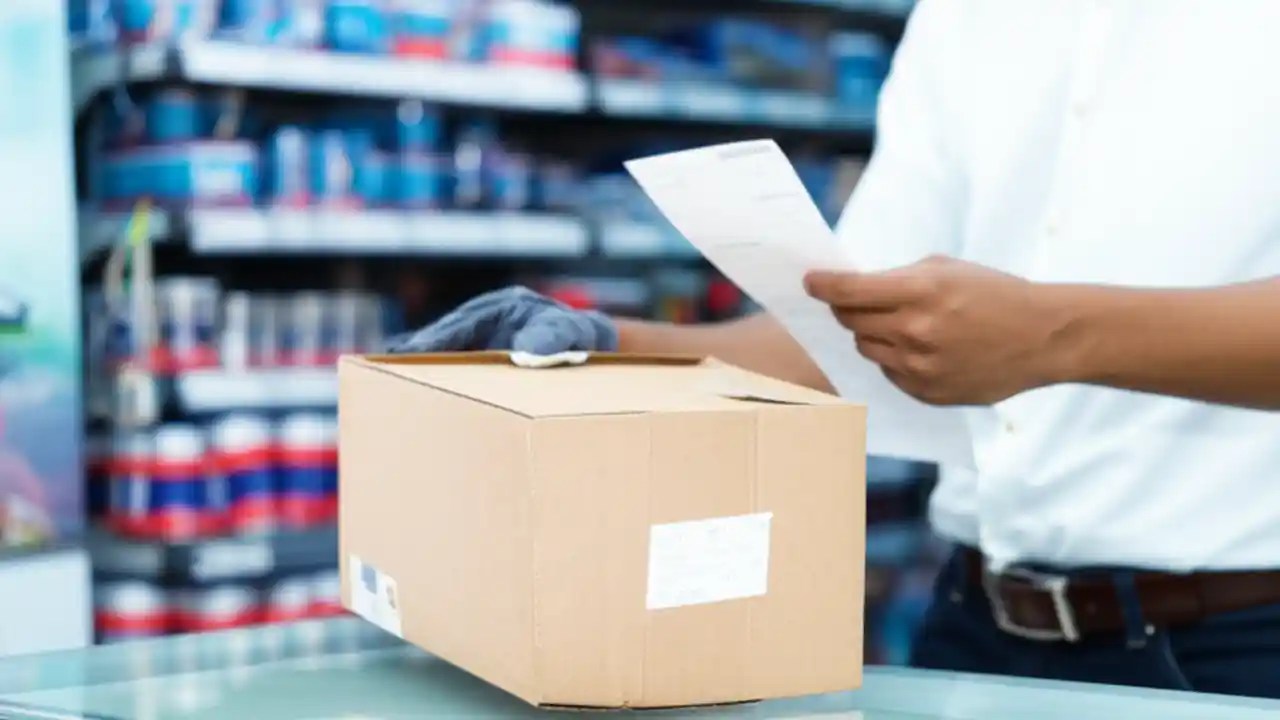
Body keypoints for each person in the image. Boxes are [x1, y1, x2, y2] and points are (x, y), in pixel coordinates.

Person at [390, 0, 1280, 699]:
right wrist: (606, 346)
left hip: (1236, 645)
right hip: (974, 634)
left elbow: (1017, 332)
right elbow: (857, 332)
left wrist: (1050, 336)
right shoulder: (968, 19)